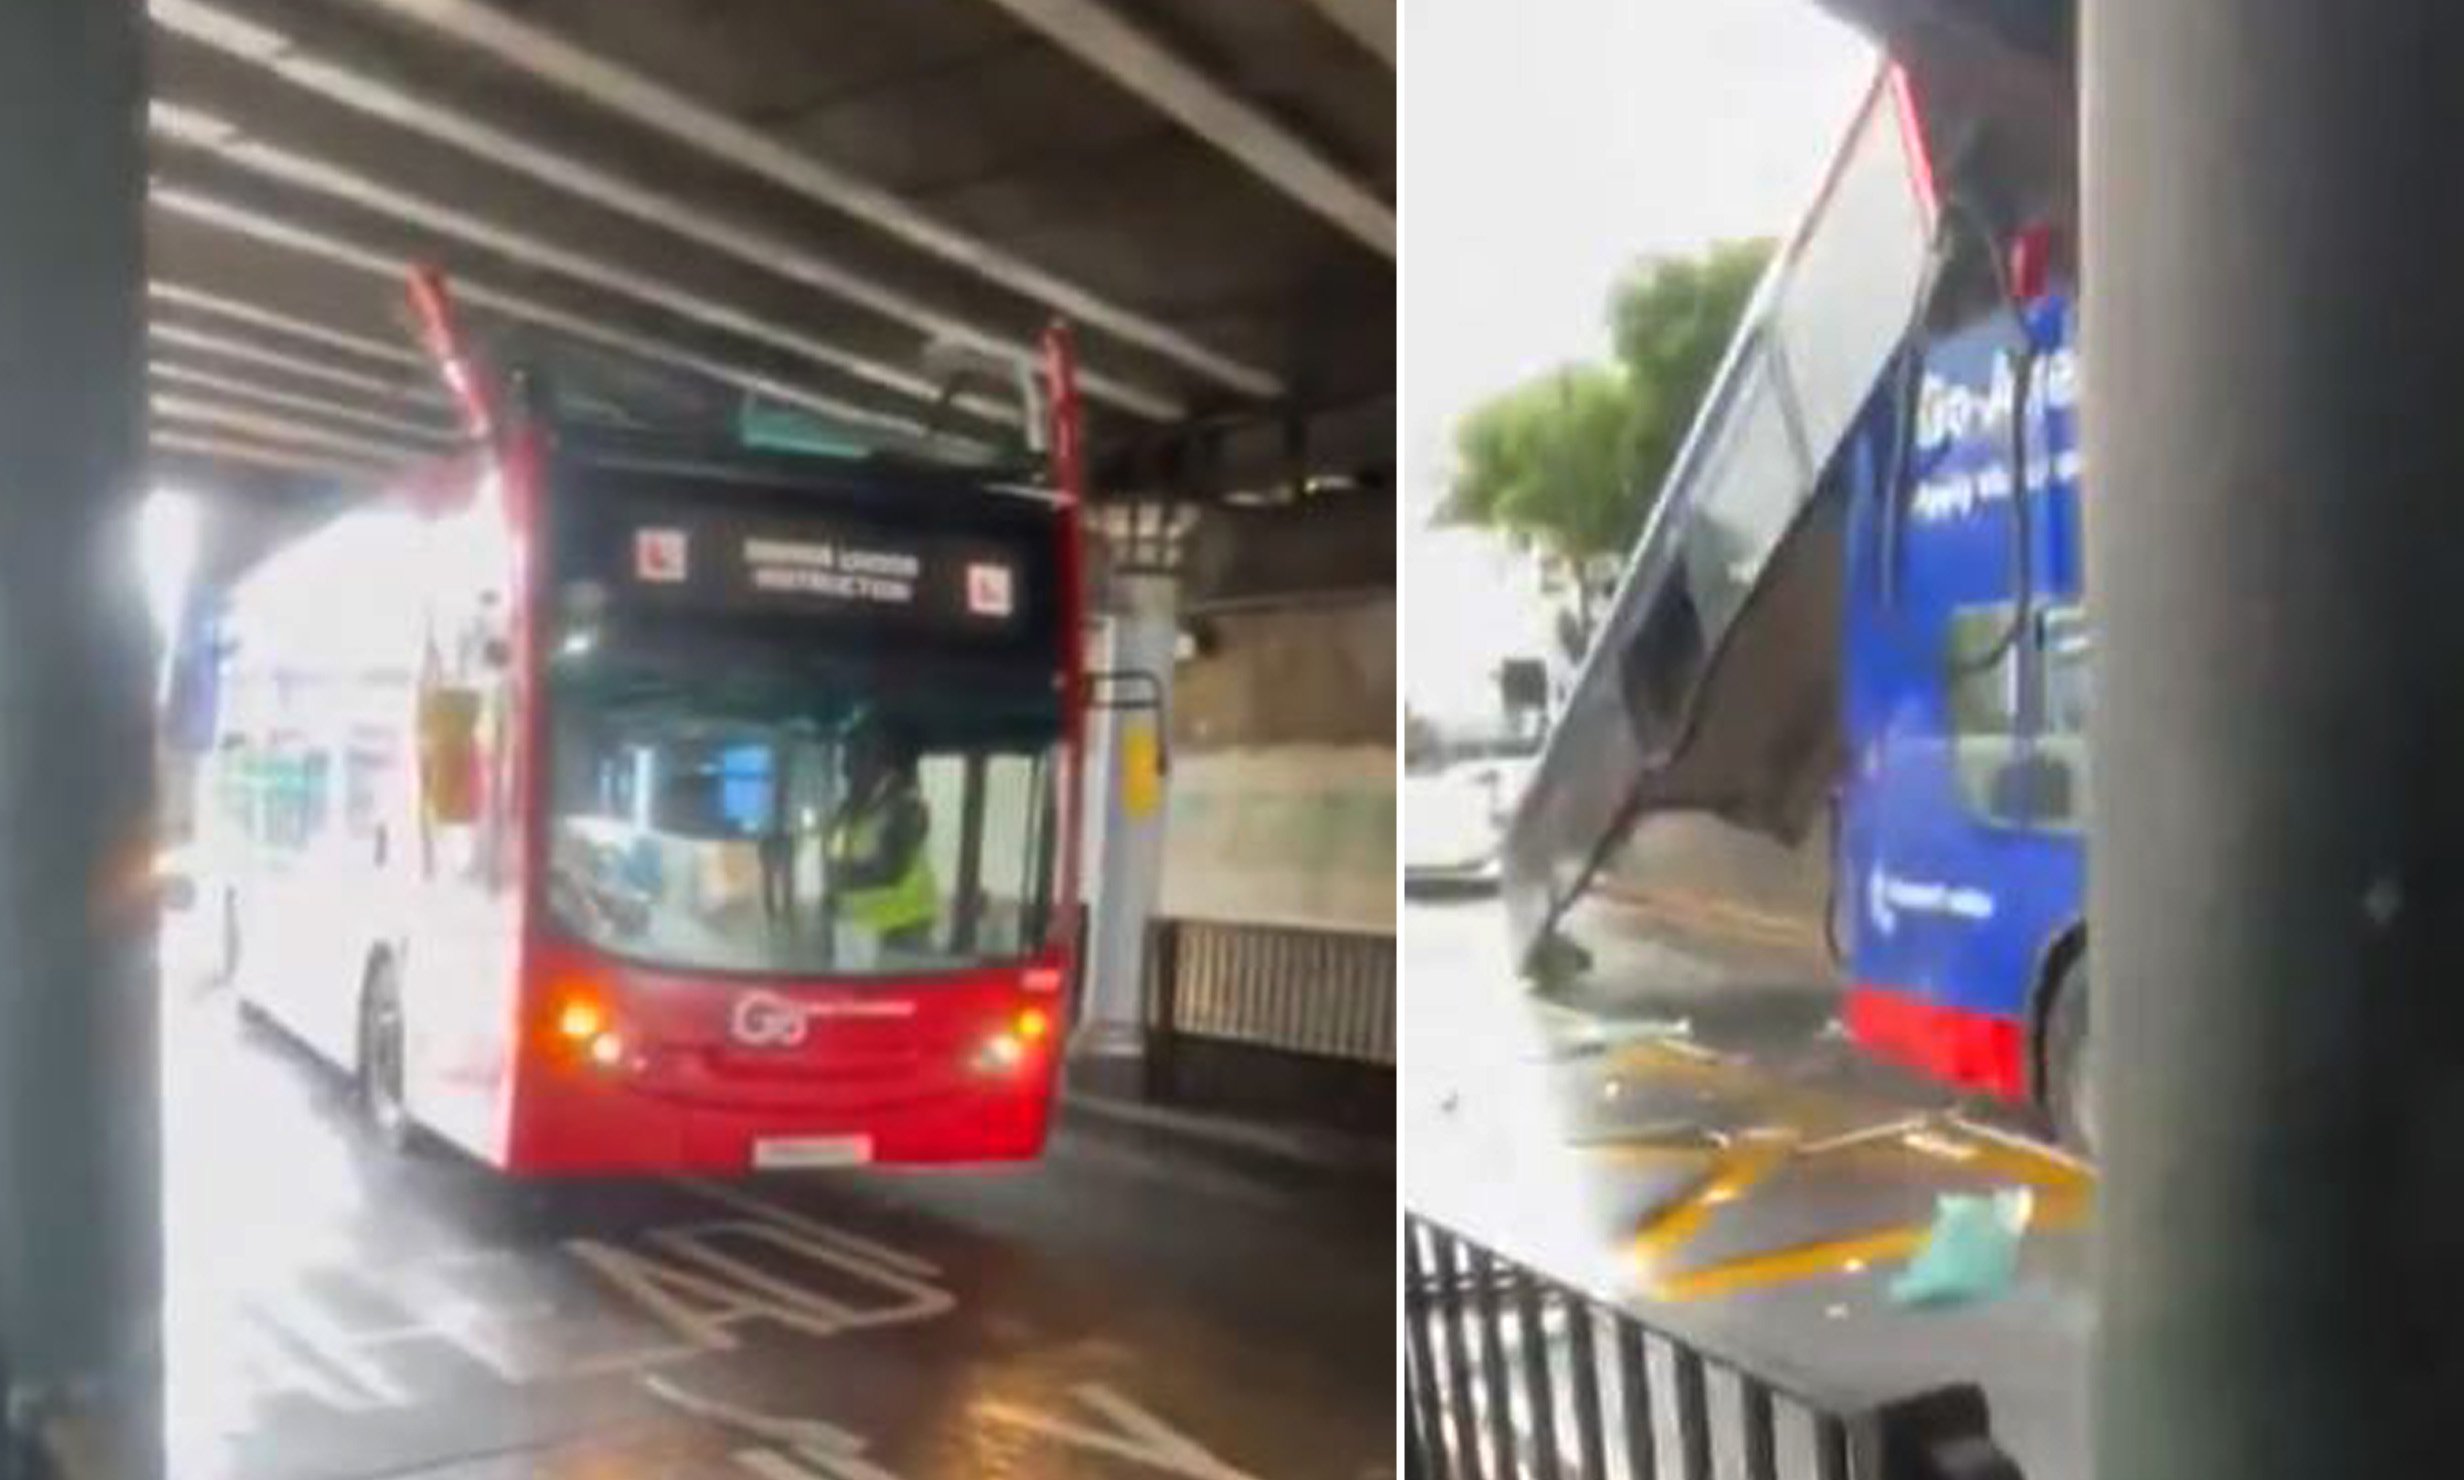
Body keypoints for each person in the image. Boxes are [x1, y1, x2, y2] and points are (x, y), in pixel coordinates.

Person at [826, 718, 938, 959]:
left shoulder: (905, 807)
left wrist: (839, 877)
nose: (844, 769)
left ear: (878, 761)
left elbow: (887, 871)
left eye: (852, 757)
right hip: (855, 927)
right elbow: (835, 853)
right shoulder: (849, 810)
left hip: (902, 929)